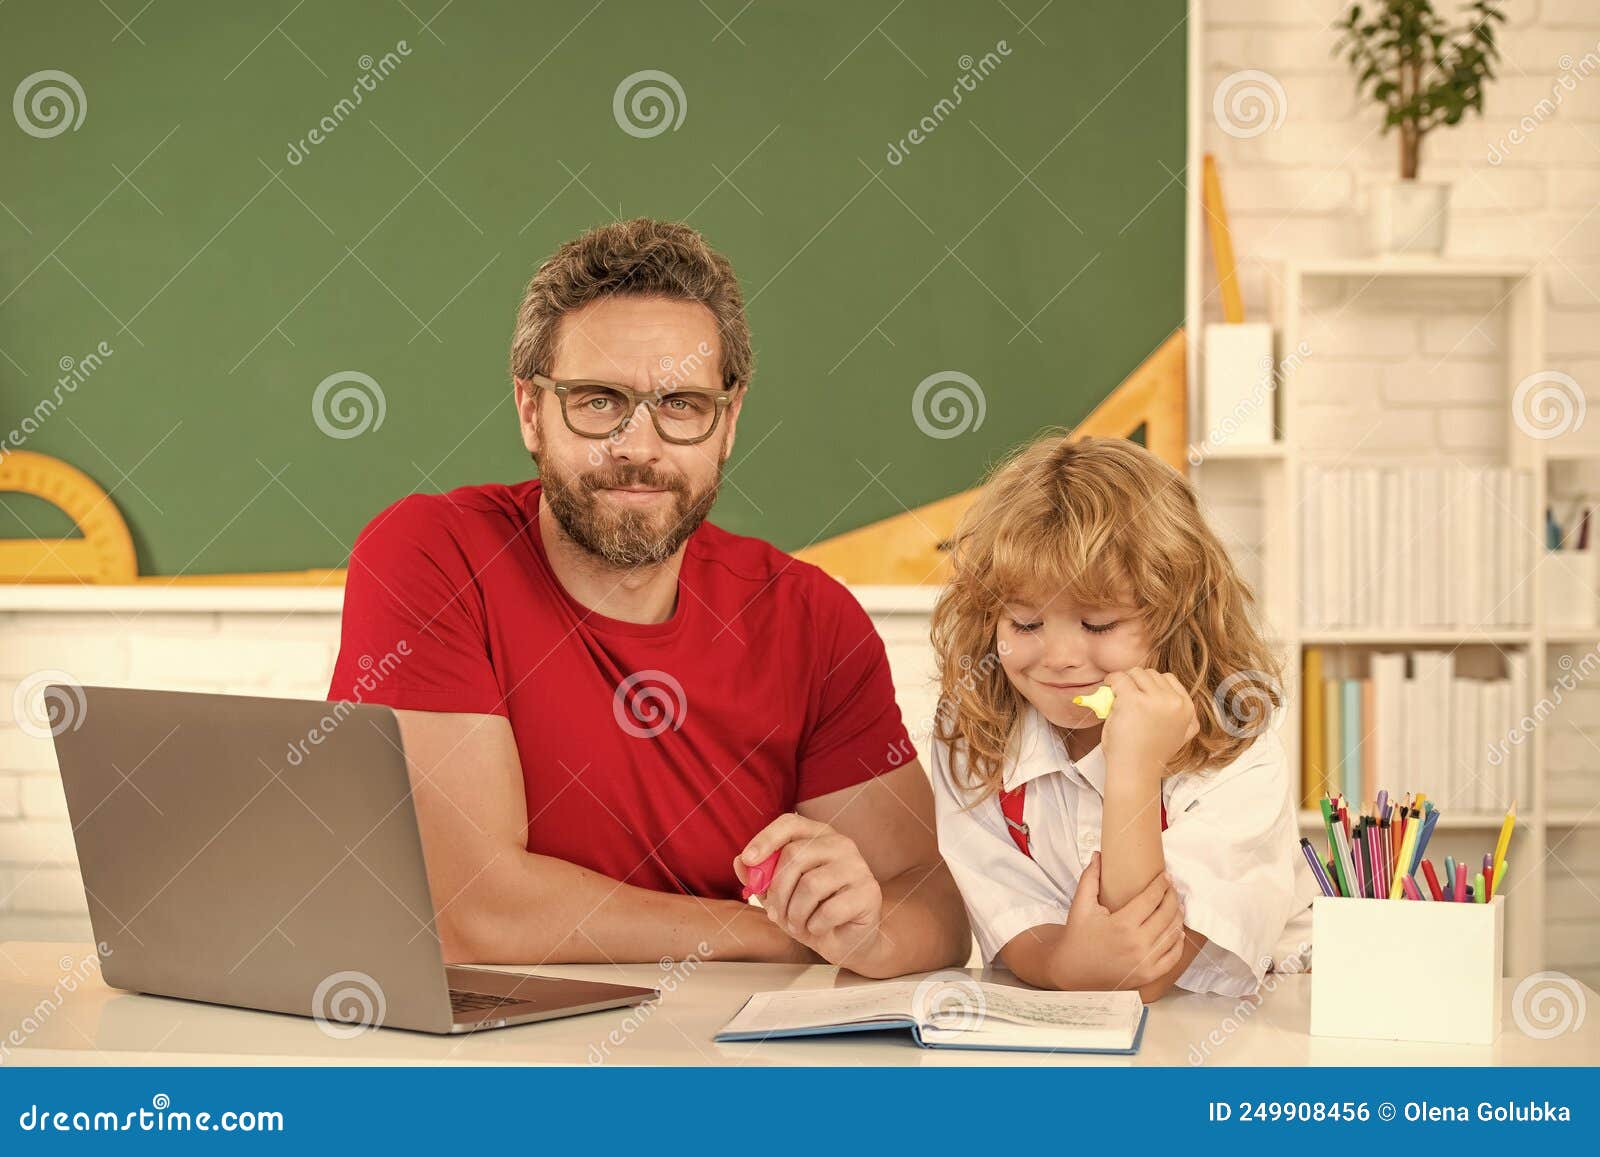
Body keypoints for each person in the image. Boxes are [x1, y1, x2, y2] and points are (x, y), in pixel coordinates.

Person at [328, 217, 970, 976]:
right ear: (531, 411)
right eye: (598, 401)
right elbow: (472, 911)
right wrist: (777, 933)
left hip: (730, 1063)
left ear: (727, 423)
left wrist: (865, 929)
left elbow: (932, 905)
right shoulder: (432, 554)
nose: (638, 446)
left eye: (680, 405)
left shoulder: (812, 619)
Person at [929, 434, 1312, 1000]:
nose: (1059, 658)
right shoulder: (972, 736)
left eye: (1100, 625)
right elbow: (1012, 922)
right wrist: (1064, 964)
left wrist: (1132, 768)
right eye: (1026, 626)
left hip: (1250, 1025)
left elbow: (1146, 975)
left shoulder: (1240, 749)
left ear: (1177, 616)